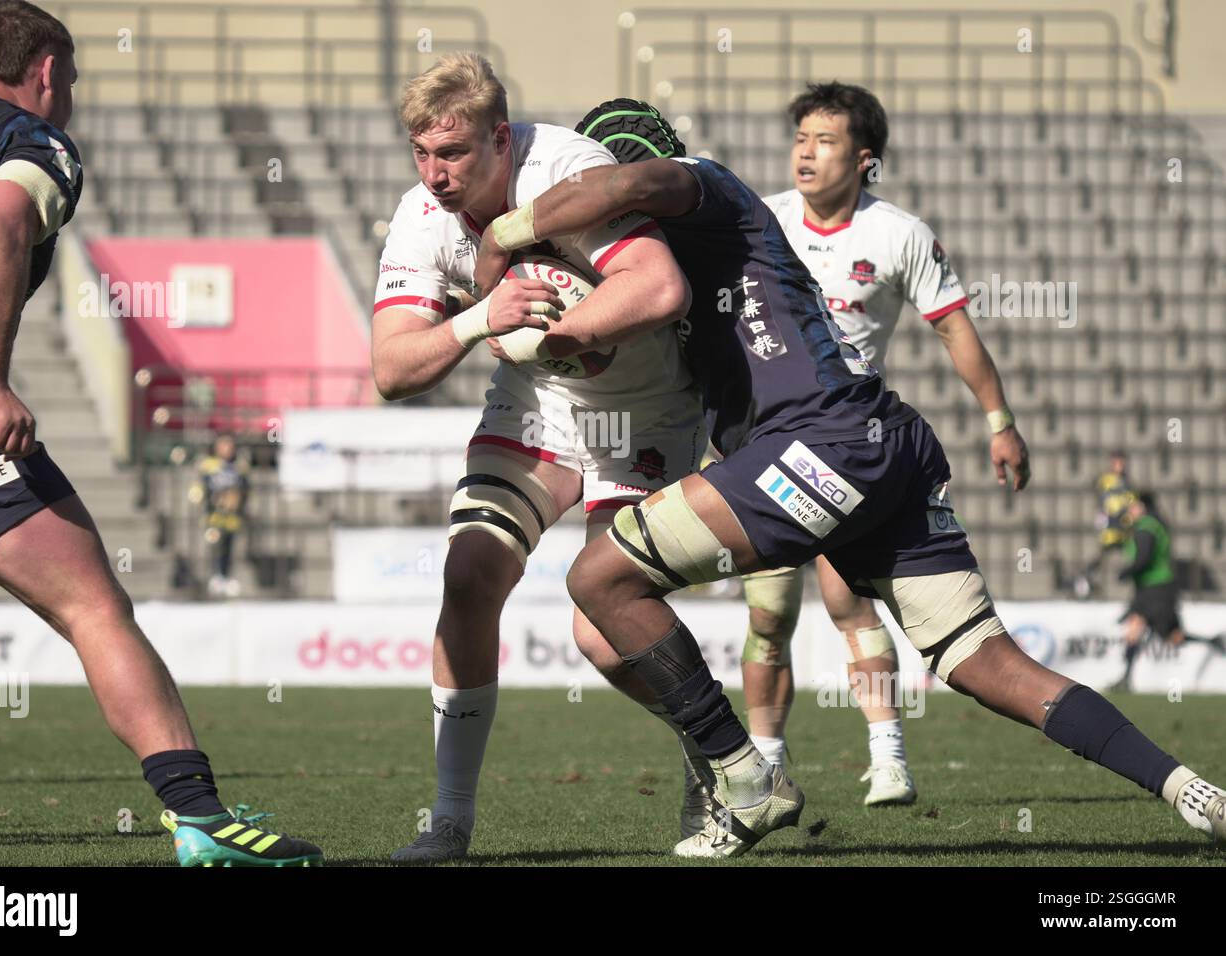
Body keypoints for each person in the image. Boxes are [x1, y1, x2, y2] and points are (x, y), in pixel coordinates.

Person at [473, 102, 1226, 857]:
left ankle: (748, 777)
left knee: (601, 580)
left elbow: (627, 186)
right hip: (878, 443)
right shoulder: (660, 261)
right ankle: (1190, 792)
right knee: (985, 661)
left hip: (818, 443)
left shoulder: (701, 185)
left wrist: (504, 230)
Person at [0, 0, 320, 866]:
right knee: (95, 607)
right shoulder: (32, 142)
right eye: (70, 78)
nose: (69, 94)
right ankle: (200, 818)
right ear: (46, 71)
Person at [370, 54, 707, 862]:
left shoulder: (568, 170)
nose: (434, 174)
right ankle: (449, 820)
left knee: (601, 631)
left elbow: (661, 289)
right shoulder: (421, 215)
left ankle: (716, 750)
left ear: (499, 137)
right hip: (537, 405)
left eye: (450, 154)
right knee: (469, 571)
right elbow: (391, 369)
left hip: (644, 410)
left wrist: (564, 333)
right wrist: (481, 318)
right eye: (420, 152)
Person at [675, 82, 1029, 810]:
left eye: (825, 140)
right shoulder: (760, 218)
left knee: (850, 603)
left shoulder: (898, 234)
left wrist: (998, 420)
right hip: (759, 441)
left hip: (847, 442)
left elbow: (954, 328)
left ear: (865, 160)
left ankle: (888, 758)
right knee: (768, 616)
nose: (807, 152)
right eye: (800, 137)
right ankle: (766, 768)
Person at [1109, 491, 1225, 691]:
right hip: (1152, 589)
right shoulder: (1153, 525)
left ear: (1143, 507)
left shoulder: (1146, 527)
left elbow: (1143, 558)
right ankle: (1125, 679)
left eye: (1134, 506)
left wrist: (1126, 572)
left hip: (1156, 590)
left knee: (1172, 637)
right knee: (1136, 628)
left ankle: (1214, 642)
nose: (1131, 510)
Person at [192, 432, 249, 597]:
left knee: (229, 545)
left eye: (230, 445)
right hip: (214, 514)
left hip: (232, 516)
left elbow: (245, 489)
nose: (227, 448)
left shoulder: (239, 467)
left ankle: (226, 575)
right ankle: (214, 576)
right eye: (223, 444)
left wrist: (238, 501)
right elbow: (200, 487)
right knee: (215, 544)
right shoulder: (208, 465)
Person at [1075, 450, 1137, 599]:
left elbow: (1131, 502)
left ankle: (1131, 587)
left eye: (1122, 462)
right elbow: (1097, 494)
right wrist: (1100, 513)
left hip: (1124, 528)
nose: (1120, 465)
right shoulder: (1106, 479)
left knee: (1132, 556)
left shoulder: (1128, 483)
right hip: (1108, 527)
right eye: (1117, 462)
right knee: (1098, 556)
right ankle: (1084, 583)